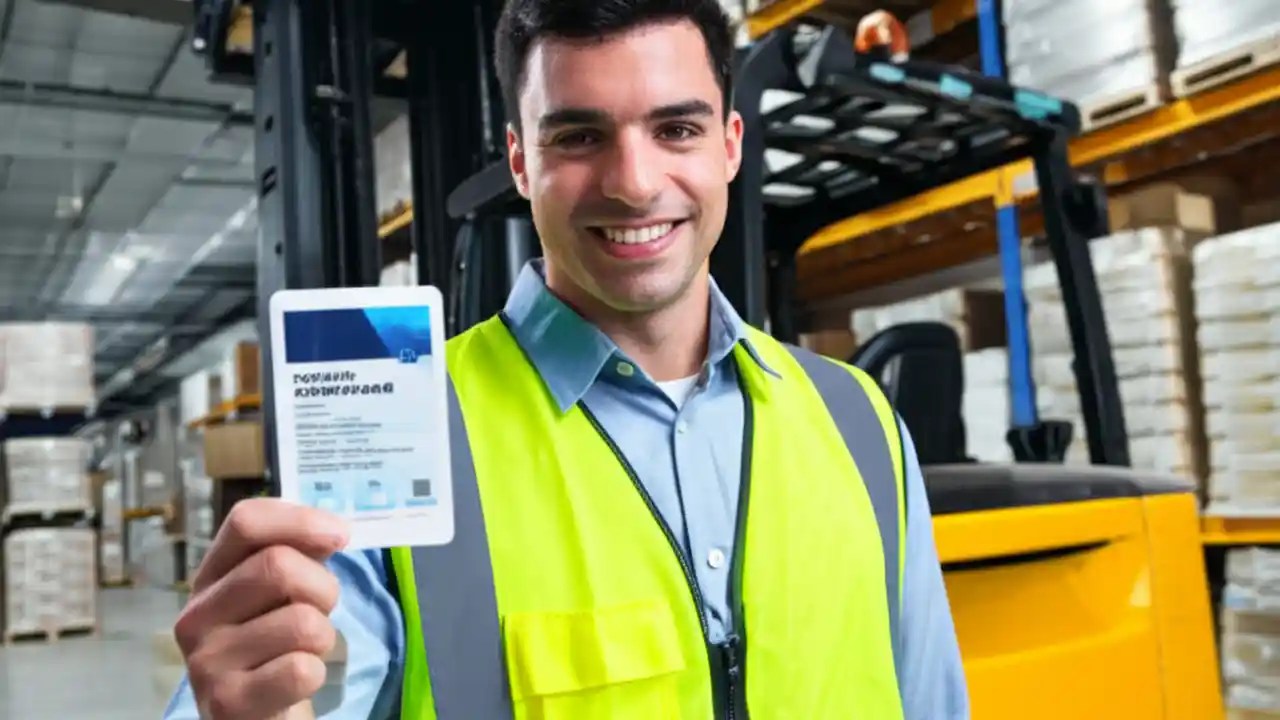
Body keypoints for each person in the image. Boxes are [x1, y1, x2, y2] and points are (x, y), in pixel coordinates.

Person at [164, 0, 969, 717]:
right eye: (580, 136)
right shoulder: (401, 426)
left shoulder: (860, 421)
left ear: (729, 146)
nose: (633, 182)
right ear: (522, 163)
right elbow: (304, 680)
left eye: (676, 129)